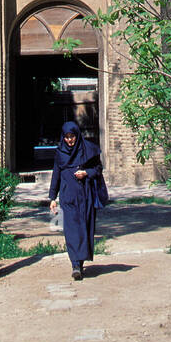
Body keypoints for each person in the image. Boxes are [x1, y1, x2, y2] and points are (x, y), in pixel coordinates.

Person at [48, 120, 104, 280]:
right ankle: (75, 265)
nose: (69, 140)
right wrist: (52, 197)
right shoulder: (60, 153)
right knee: (72, 230)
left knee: (84, 228)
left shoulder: (88, 150)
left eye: (72, 136)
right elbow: (56, 176)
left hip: (86, 196)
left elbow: (98, 169)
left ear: (77, 135)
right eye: (66, 137)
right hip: (68, 198)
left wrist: (86, 173)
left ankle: (80, 262)